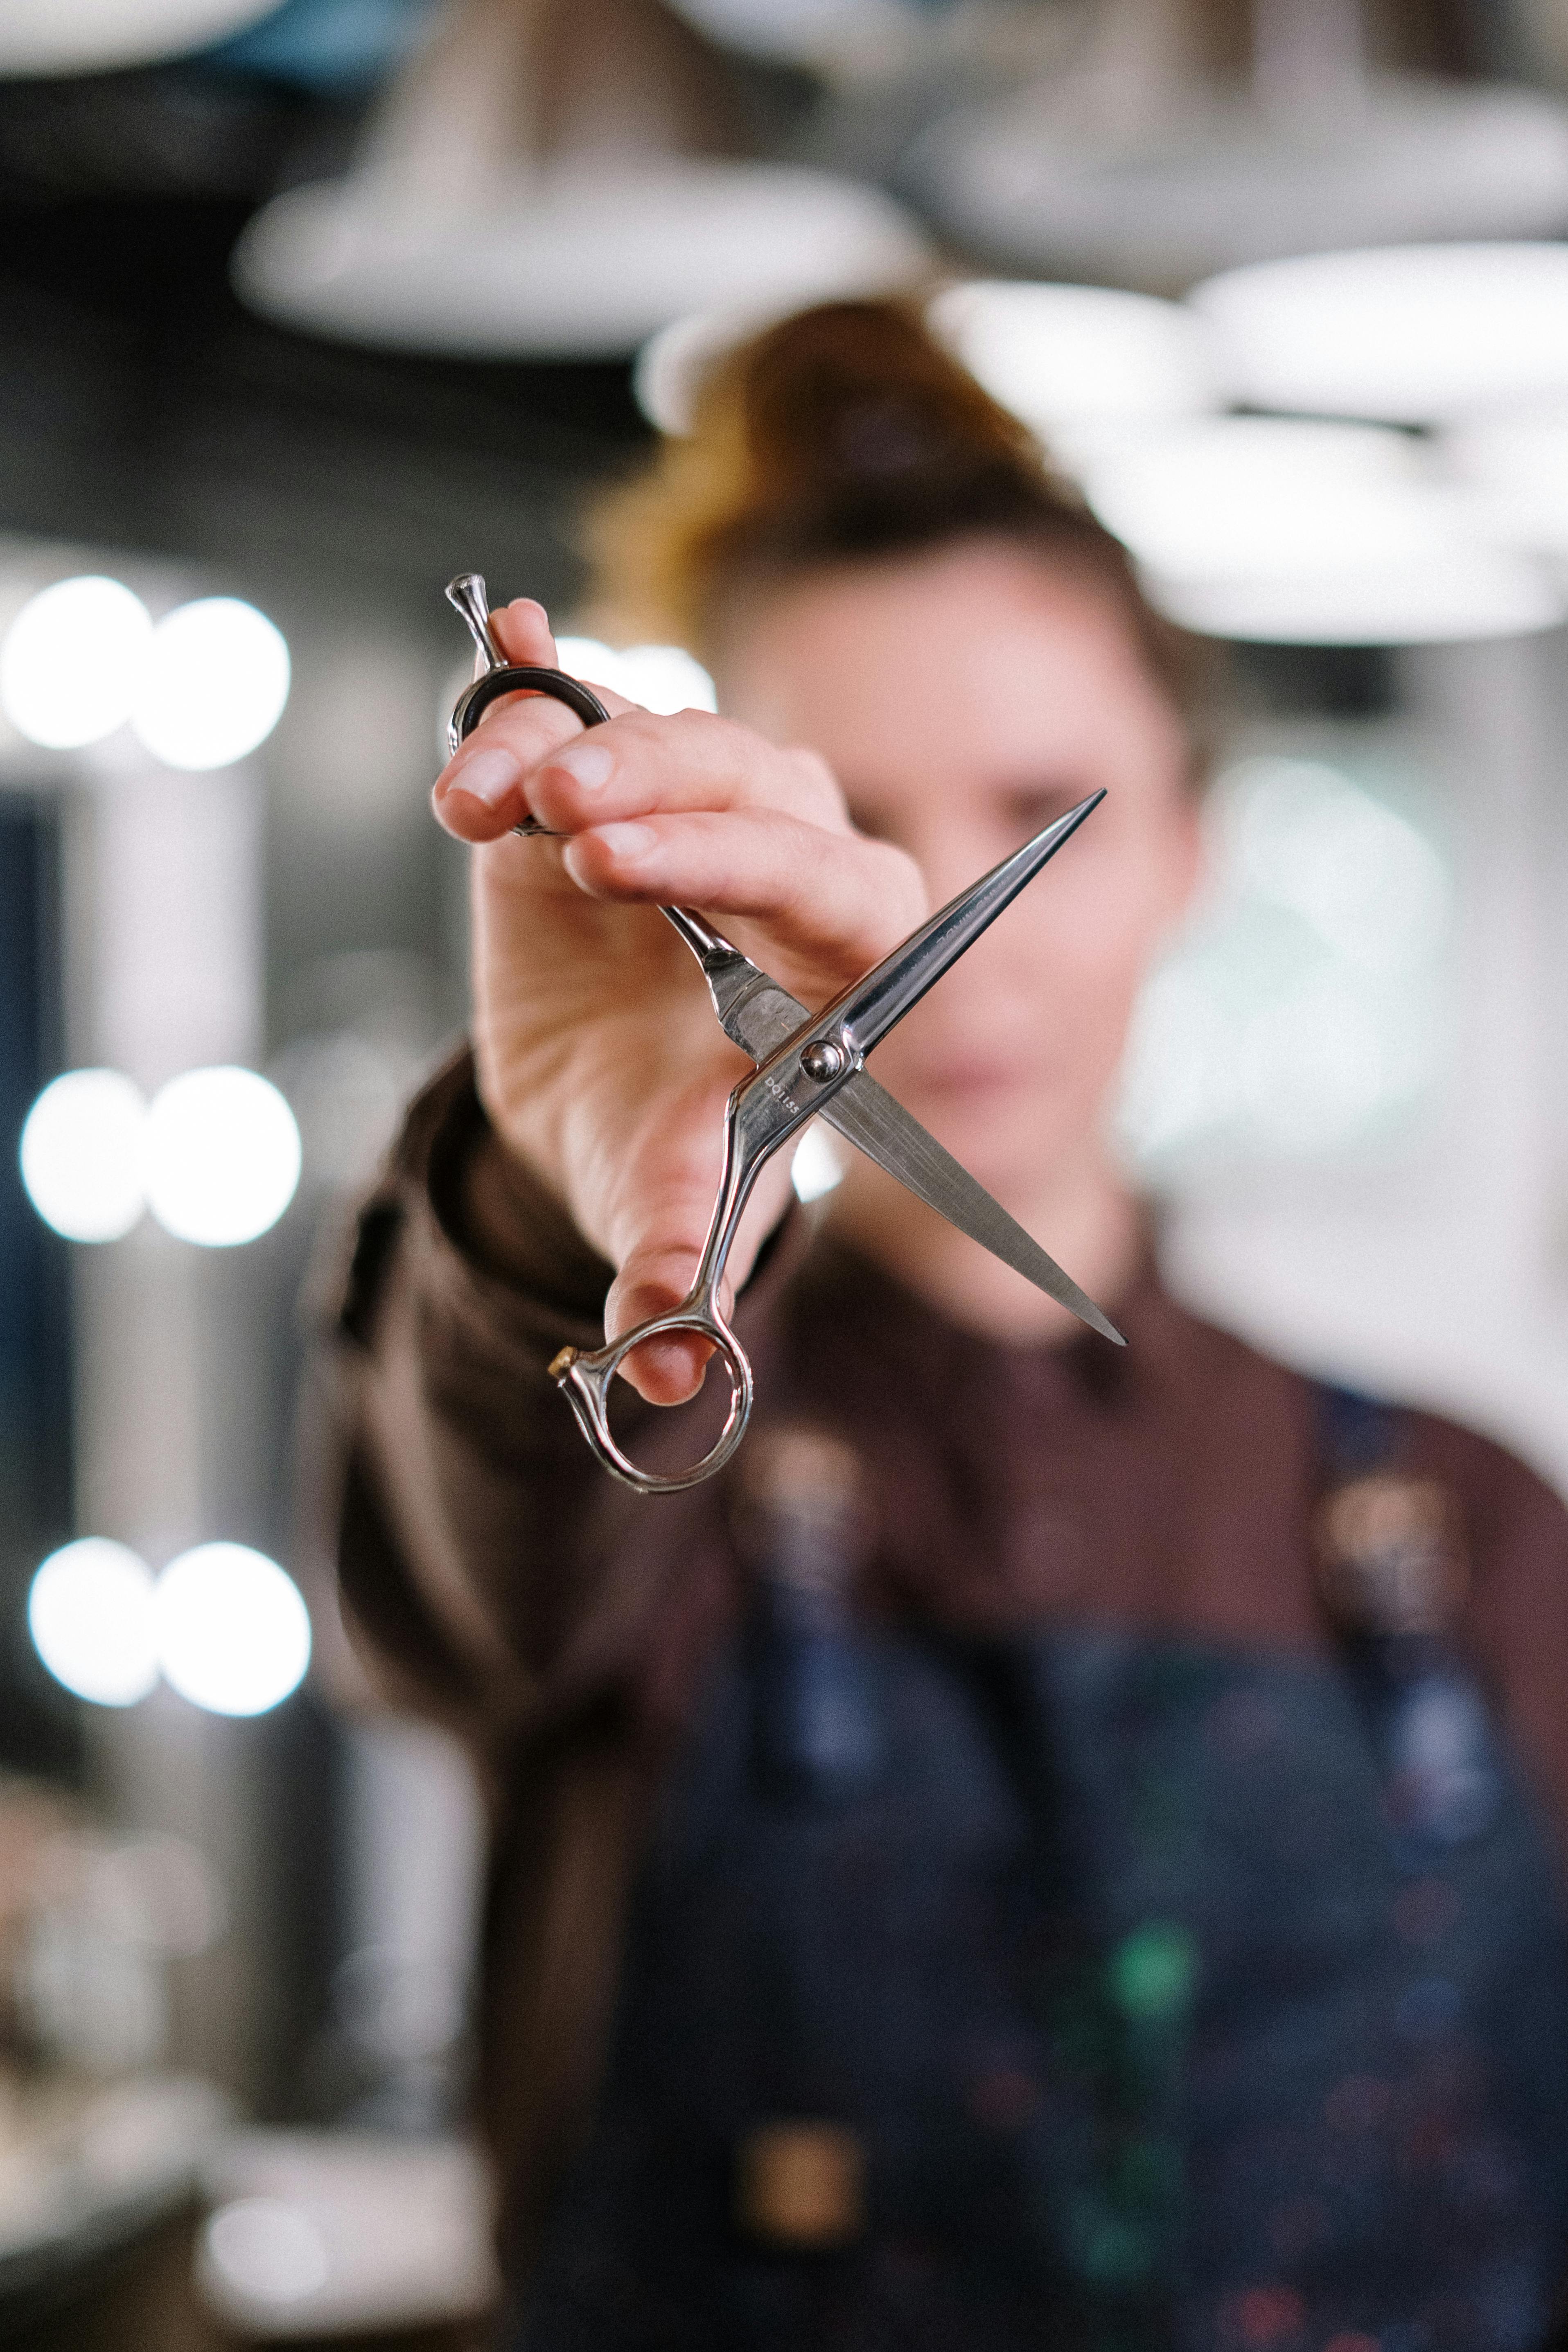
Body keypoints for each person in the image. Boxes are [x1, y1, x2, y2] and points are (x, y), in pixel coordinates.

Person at [317, 301, 1568, 2351]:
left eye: (1037, 808)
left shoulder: (1480, 1527)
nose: (928, 933)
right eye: (859, 818)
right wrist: (576, 1200)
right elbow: (458, 1577)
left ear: (1187, 850)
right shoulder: (631, 1482)